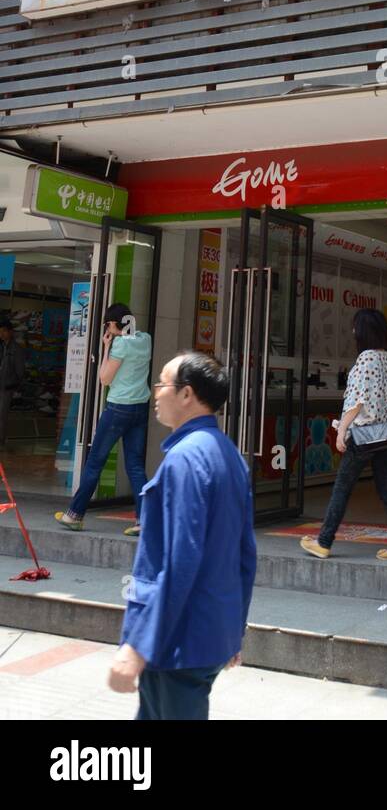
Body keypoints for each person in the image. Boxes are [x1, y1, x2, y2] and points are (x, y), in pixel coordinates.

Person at [108, 352, 257, 721]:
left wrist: (138, 647)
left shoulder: (185, 459)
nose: (156, 392)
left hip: (178, 640)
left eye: (162, 382)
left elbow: (179, 562)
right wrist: (233, 628)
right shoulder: (229, 454)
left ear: (187, 394)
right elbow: (245, 555)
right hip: (208, 631)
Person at [301, 308, 387, 561]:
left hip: (362, 436)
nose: (352, 332)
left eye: (355, 327)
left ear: (363, 331)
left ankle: (323, 542)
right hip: (384, 435)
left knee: (342, 488)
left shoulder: (366, 359)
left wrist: (341, 431)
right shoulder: (386, 359)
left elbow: (357, 401)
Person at [55, 303, 152, 538]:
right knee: (136, 466)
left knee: (95, 462)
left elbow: (105, 379)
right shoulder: (145, 339)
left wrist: (107, 346)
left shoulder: (120, 344)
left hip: (118, 408)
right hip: (140, 408)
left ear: (113, 324)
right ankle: (145, 520)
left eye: (107, 324)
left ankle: (74, 515)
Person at [0, 315, 26, 449]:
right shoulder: (2, 347)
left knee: (1, 416)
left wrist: (13, 385)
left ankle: (1, 441)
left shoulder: (17, 349)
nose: (1, 334)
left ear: (10, 332)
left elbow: (20, 371)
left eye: (4, 331)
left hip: (7, 387)